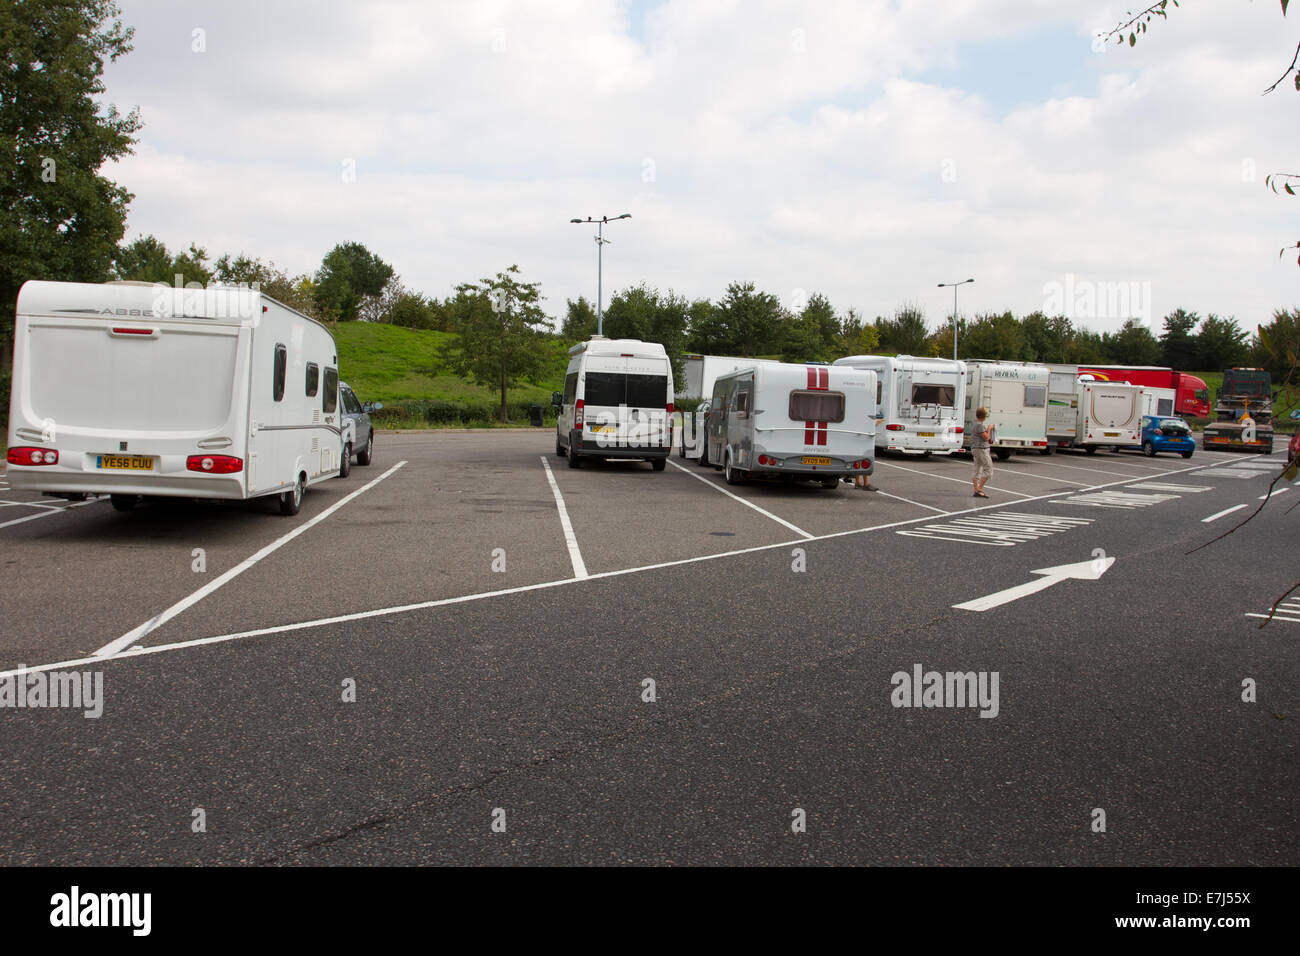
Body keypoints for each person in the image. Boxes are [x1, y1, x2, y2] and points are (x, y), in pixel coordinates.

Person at [971, 406, 994, 498]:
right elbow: (986, 437)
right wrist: (989, 428)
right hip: (981, 449)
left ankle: (976, 490)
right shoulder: (980, 425)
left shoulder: (975, 424)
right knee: (988, 469)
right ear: (984, 416)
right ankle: (980, 489)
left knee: (977, 469)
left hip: (975, 449)